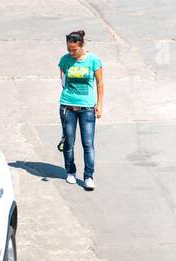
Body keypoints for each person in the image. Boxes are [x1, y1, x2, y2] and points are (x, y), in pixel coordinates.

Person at [58, 29, 104, 190]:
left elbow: (100, 83)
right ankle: (70, 171)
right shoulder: (64, 60)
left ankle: (88, 176)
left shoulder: (93, 60)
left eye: (74, 50)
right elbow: (63, 80)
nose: (71, 53)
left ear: (81, 45)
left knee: (88, 143)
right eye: (69, 49)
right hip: (67, 107)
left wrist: (99, 106)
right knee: (69, 142)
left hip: (87, 109)